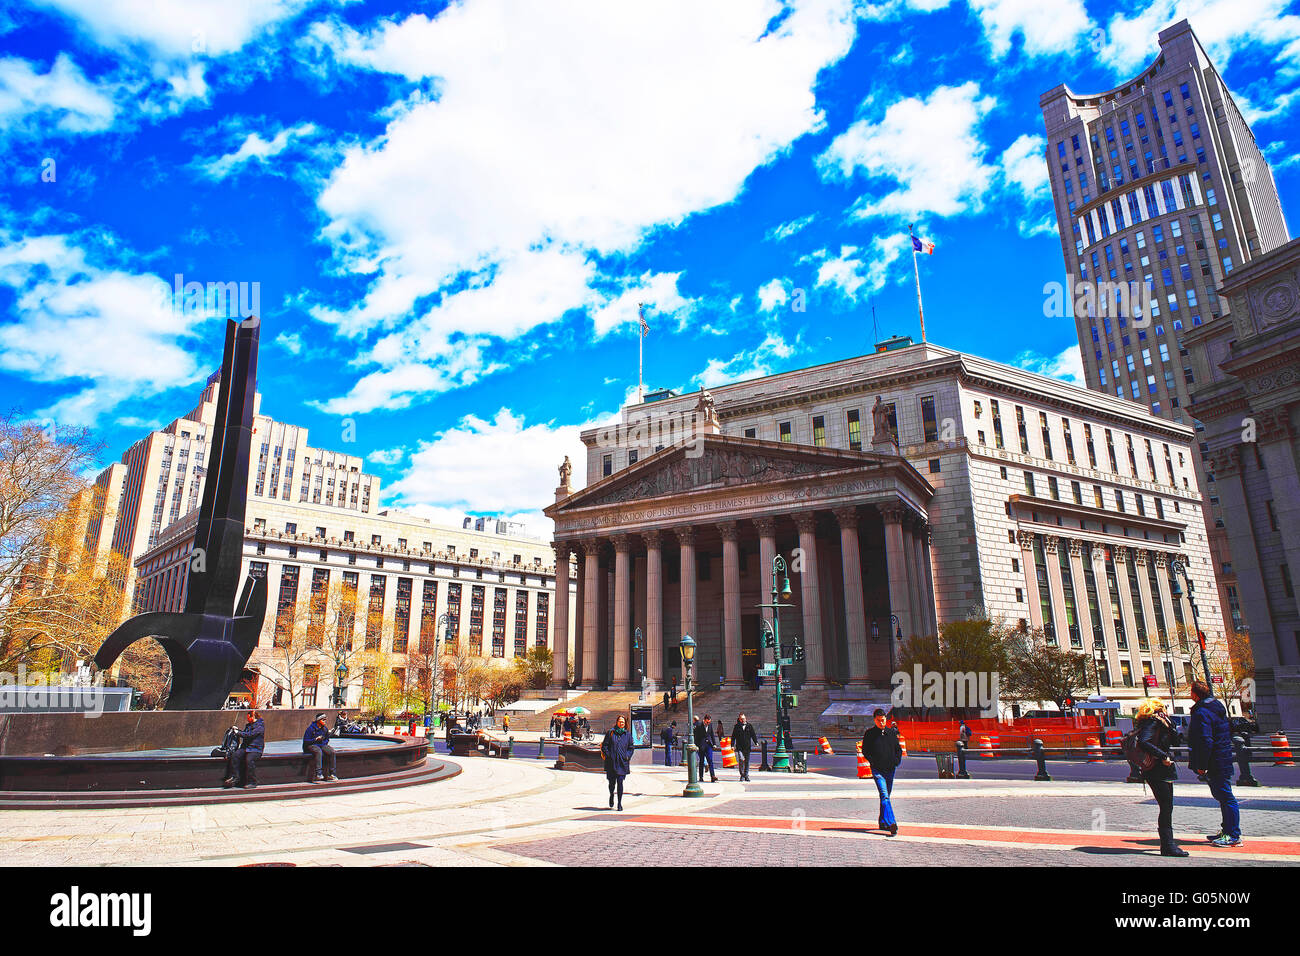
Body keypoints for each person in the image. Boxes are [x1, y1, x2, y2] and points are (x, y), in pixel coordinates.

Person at [1188, 680, 1242, 848]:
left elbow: (1205, 739)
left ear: (1195, 694)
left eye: (1191, 691)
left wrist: (1202, 765)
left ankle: (1233, 835)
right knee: (1223, 797)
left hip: (1214, 760)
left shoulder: (1201, 712)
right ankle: (1227, 830)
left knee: (1225, 797)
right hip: (1221, 756)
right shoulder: (1216, 708)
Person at [1133, 698, 1187, 857]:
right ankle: (1168, 845)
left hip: (1161, 769)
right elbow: (1144, 742)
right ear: (1157, 710)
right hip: (1157, 769)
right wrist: (1162, 755)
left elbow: (1174, 741)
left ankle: (1168, 844)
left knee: (1166, 805)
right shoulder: (1152, 722)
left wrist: (1172, 727)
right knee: (1166, 806)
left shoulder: (1161, 722)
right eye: (1164, 707)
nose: (1166, 710)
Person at [861, 708, 902, 836]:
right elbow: (865, 751)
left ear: (886, 719)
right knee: (884, 795)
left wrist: (896, 761)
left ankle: (882, 822)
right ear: (874, 720)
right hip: (878, 770)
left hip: (890, 769)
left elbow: (898, 749)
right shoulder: (869, 734)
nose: (881, 723)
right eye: (878, 721)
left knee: (886, 797)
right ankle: (891, 823)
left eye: (883, 720)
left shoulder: (891, 733)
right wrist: (873, 762)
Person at [223, 709, 265, 789]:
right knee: (235, 755)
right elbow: (245, 733)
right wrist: (237, 730)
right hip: (246, 748)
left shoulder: (260, 726)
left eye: (248, 717)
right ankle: (235, 777)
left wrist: (238, 733)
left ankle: (252, 782)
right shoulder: (248, 725)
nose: (247, 719)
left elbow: (249, 735)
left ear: (252, 717)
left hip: (255, 749)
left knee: (249, 760)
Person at [601, 715, 635, 811]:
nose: (621, 723)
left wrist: (627, 756)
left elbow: (631, 747)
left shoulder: (627, 735)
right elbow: (604, 746)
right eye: (620, 721)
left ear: (625, 724)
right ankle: (611, 794)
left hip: (622, 763)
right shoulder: (610, 733)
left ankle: (619, 803)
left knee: (620, 782)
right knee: (612, 783)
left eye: (623, 722)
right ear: (616, 722)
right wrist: (609, 755)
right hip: (611, 763)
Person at [303, 713, 338, 783]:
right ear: (318, 720)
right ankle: (318, 774)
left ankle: (332, 774)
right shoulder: (310, 729)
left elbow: (327, 739)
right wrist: (315, 739)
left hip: (321, 745)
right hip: (310, 745)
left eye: (325, 720)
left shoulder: (324, 729)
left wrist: (323, 743)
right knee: (318, 751)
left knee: (332, 751)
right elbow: (306, 741)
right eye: (323, 720)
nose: (325, 721)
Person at [731, 714, 758, 782]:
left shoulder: (749, 726)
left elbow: (753, 734)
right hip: (739, 746)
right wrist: (732, 745)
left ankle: (746, 775)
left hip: (747, 746)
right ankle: (742, 774)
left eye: (744, 718)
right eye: (741, 719)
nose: (743, 720)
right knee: (741, 759)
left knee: (747, 762)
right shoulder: (737, 727)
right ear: (739, 719)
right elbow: (733, 737)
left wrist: (756, 742)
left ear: (746, 718)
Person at [695, 715, 717, 783]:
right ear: (704, 720)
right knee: (701, 761)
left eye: (709, 722)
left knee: (710, 760)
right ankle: (701, 777)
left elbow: (712, 734)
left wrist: (714, 743)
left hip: (709, 745)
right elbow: (696, 737)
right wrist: (697, 745)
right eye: (707, 722)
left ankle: (712, 776)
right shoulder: (699, 726)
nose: (708, 723)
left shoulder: (710, 725)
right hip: (701, 745)